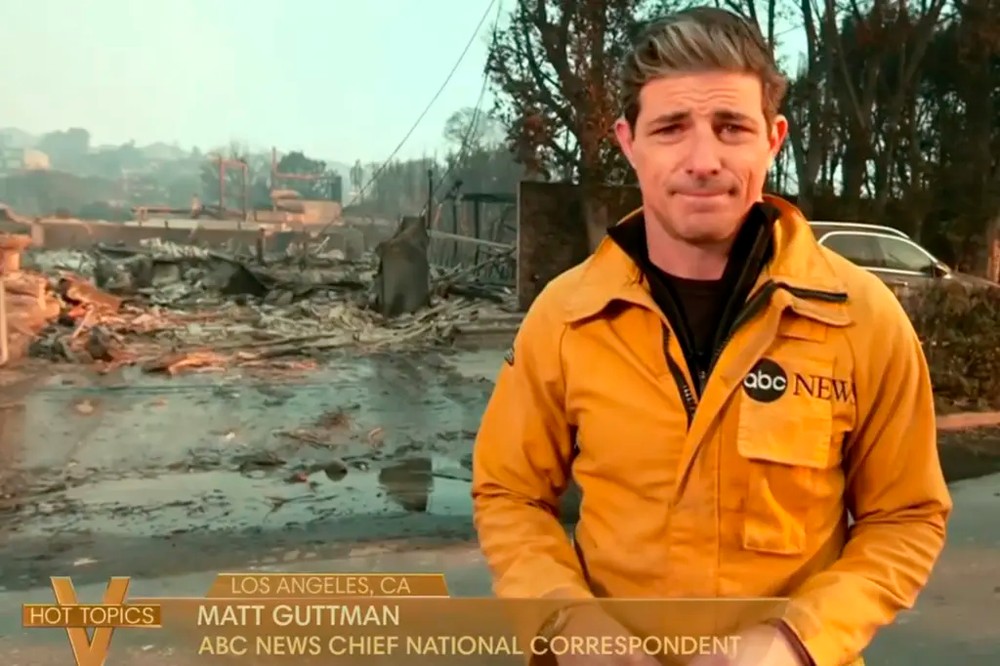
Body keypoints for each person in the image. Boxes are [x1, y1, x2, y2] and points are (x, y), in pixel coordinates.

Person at [471, 7, 952, 666]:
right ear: (628, 141)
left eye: (731, 127)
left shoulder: (861, 320)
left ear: (773, 138)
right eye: (671, 127)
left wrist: (797, 640)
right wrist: (564, 619)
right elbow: (510, 493)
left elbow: (907, 515)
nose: (704, 160)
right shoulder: (565, 318)